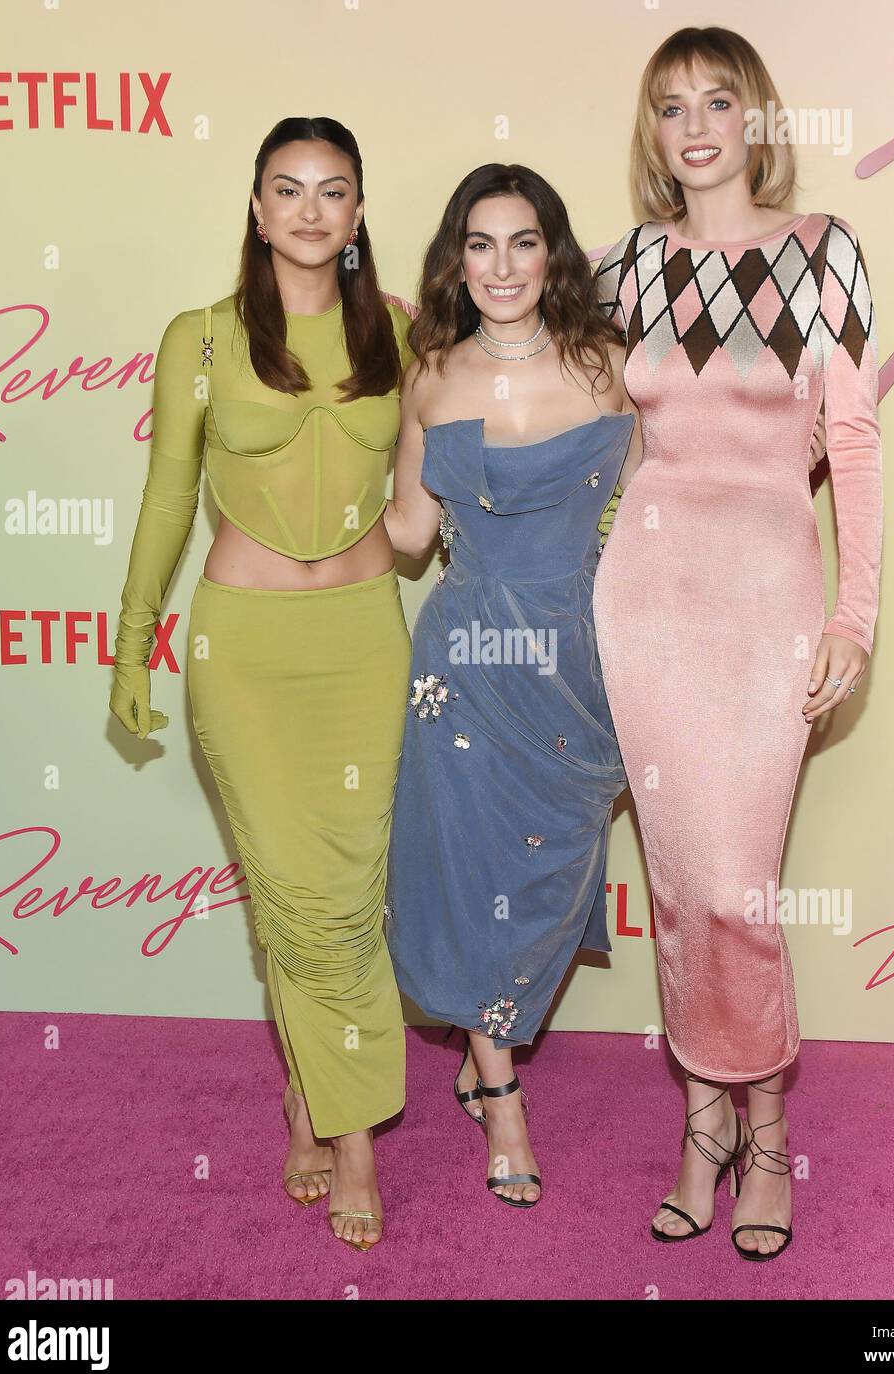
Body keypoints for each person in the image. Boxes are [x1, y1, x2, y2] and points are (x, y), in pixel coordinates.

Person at [592, 27, 882, 1260]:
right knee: (675, 881)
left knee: (734, 884)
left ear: (754, 116)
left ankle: (764, 1131)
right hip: (645, 597)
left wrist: (853, 615)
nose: (695, 125)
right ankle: (703, 1122)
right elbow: (597, 436)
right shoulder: (623, 268)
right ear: (651, 132)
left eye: (718, 100)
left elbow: (851, 444)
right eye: (671, 106)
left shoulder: (822, 251)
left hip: (766, 594)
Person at [109, 116, 416, 1252]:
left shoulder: (398, 331)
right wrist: (131, 639)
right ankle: (351, 1135)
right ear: (255, 206)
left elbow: (452, 468)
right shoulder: (199, 337)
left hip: (364, 644)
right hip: (241, 654)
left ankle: (308, 1094)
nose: (309, 210)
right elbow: (166, 497)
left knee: (342, 899)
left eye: (333, 190)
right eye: (287, 189)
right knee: (296, 895)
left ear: (357, 211)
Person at [381, 164, 640, 1208]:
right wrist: (299, 516)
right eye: (479, 244)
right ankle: (500, 1097)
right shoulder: (429, 375)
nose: (501, 266)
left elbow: (662, 503)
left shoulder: (611, 365)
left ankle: (485, 1037)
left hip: (577, 656)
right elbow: (408, 532)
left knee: (552, 870)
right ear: (456, 260)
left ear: (551, 254)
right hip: (465, 662)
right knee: (467, 865)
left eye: (522, 242)